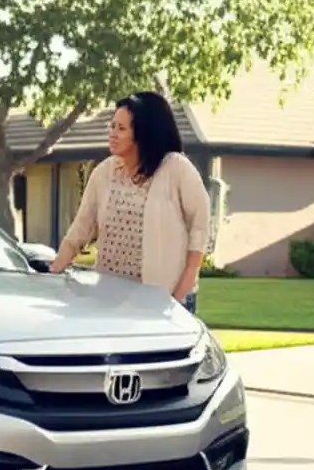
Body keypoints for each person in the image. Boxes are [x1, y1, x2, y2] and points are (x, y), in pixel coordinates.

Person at [48, 91, 211, 313]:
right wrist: (53, 274)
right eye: (112, 126)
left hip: (164, 301)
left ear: (144, 133)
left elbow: (200, 228)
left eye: (121, 129)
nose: (112, 134)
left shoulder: (177, 169)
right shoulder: (103, 173)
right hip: (109, 299)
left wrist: (181, 292)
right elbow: (81, 229)